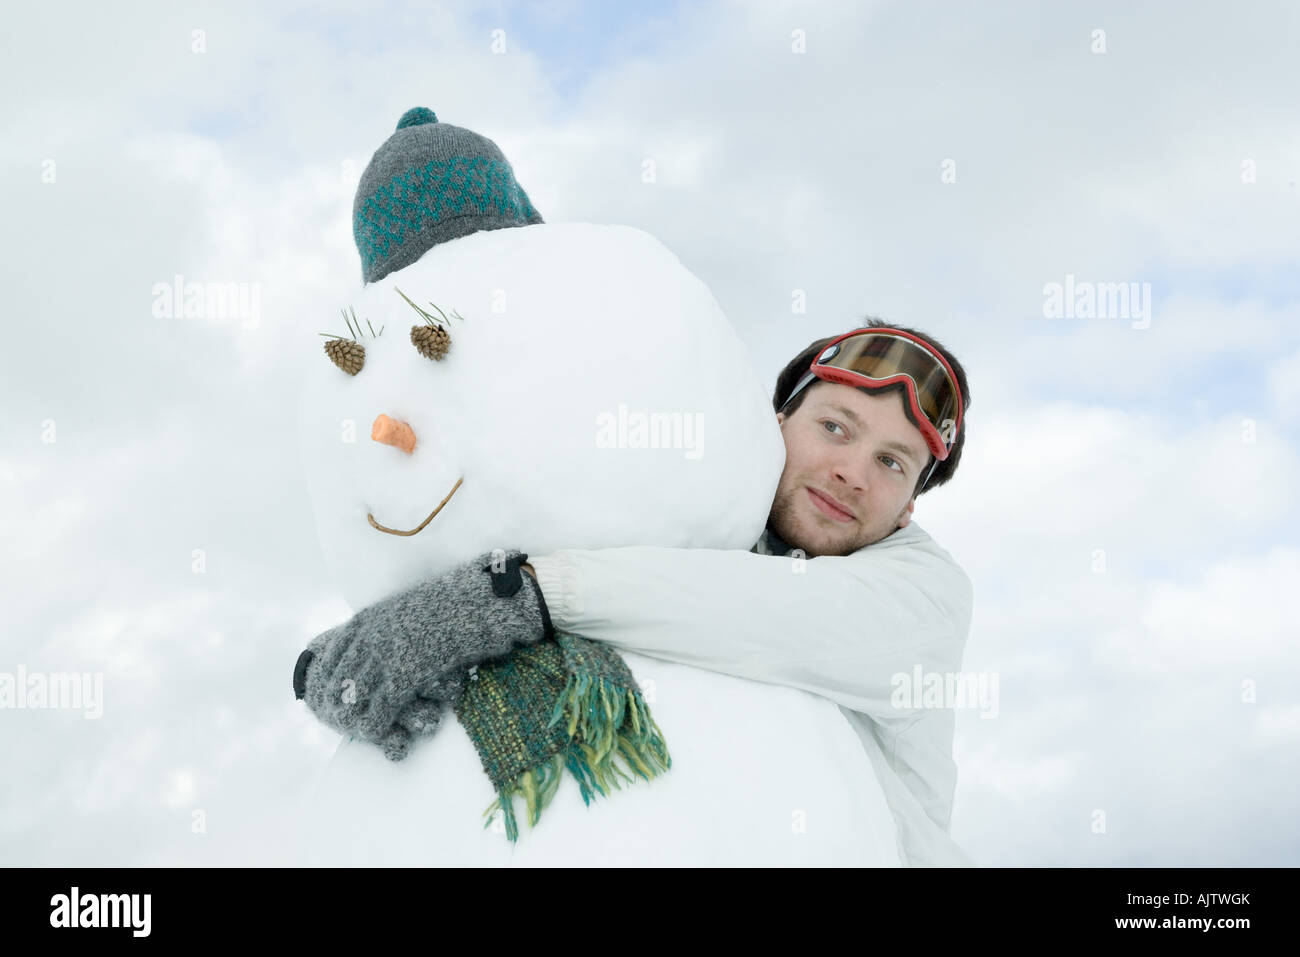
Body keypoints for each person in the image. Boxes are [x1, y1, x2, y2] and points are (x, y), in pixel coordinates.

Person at [296, 316, 976, 866]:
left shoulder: (926, 598)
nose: (853, 472)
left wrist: (518, 595)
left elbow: (762, 610)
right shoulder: (706, 530)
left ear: (909, 509)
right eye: (835, 427)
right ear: (773, 424)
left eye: (892, 463)